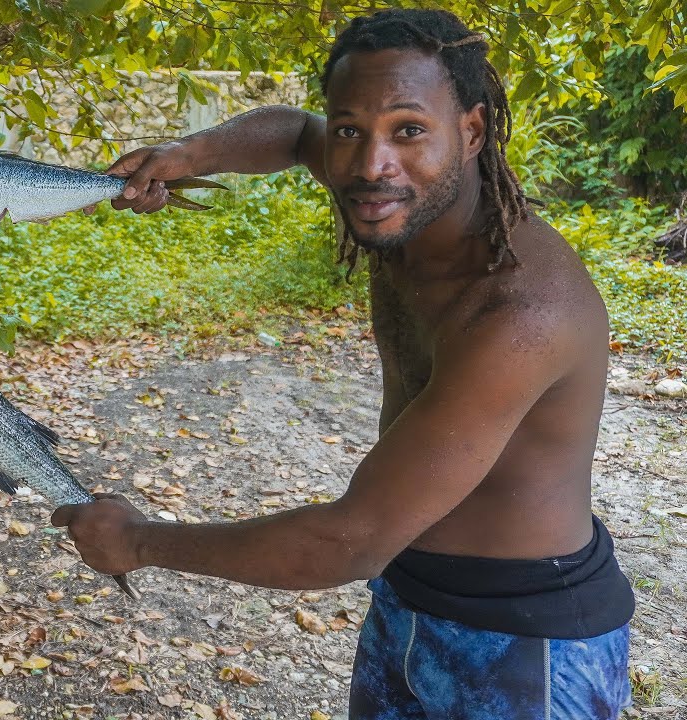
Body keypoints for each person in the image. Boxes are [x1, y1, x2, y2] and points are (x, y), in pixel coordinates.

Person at [51, 9, 635, 719]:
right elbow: (298, 133)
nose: (368, 164)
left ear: (472, 132)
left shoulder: (518, 315)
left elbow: (350, 540)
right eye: (352, 129)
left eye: (409, 130)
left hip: (525, 642)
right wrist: (187, 154)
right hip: (408, 592)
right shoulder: (399, 196)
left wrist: (136, 541)